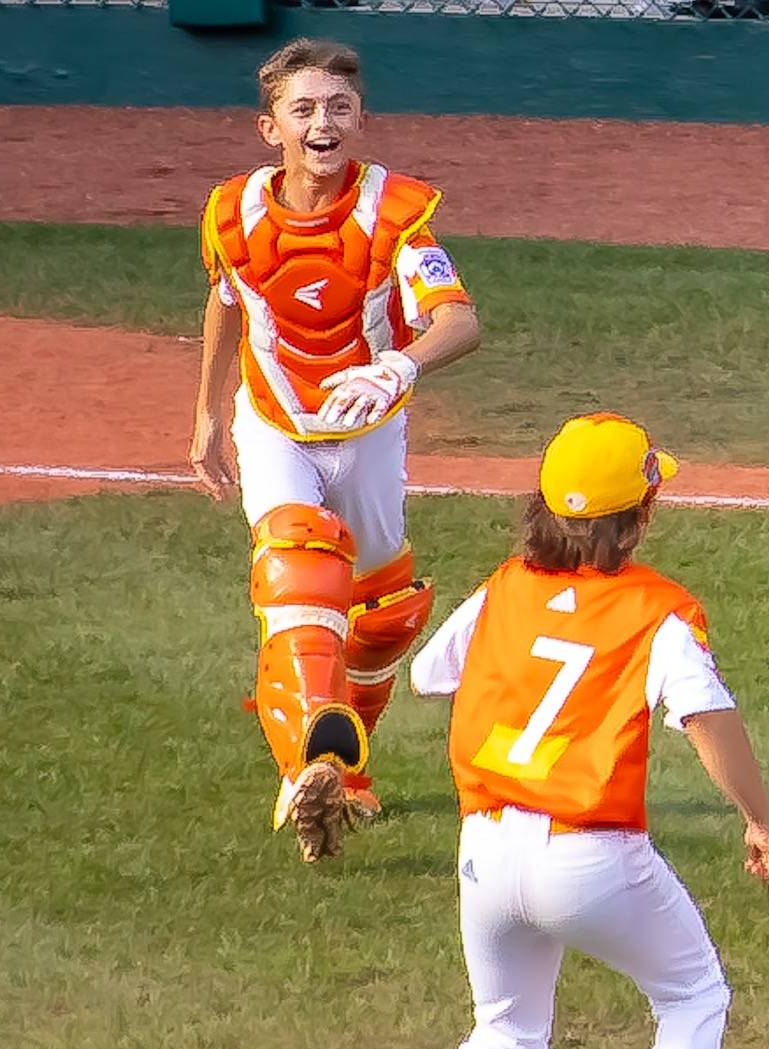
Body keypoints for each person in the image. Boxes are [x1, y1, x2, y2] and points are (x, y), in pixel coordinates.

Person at [365, 413, 769, 1049]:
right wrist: (761, 820)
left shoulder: (503, 588)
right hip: (590, 855)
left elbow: (434, 676)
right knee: (692, 995)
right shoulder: (656, 609)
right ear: (636, 518)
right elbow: (708, 716)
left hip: (486, 852)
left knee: (506, 1037)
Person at [190, 38, 482, 862]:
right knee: (298, 569)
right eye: (304, 108)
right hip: (276, 426)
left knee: (384, 615)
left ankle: (347, 764)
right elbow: (225, 301)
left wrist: (398, 364)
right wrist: (208, 415)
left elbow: (459, 319)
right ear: (268, 126)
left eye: (339, 107)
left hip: (370, 431)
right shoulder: (231, 213)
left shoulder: (394, 213)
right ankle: (309, 763)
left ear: (361, 118)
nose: (324, 122)